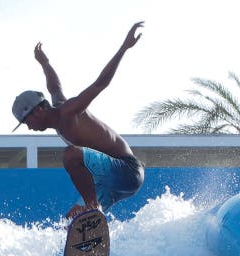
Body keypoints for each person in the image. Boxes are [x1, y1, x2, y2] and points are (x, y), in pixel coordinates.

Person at [12, 22, 145, 220]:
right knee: (74, 220)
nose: (29, 127)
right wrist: (45, 64)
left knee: (71, 155)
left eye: (26, 122)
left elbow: (101, 84)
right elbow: (54, 87)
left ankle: (92, 205)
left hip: (127, 170)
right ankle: (91, 242)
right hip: (109, 183)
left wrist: (124, 47)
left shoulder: (69, 111)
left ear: (37, 111)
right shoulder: (58, 106)